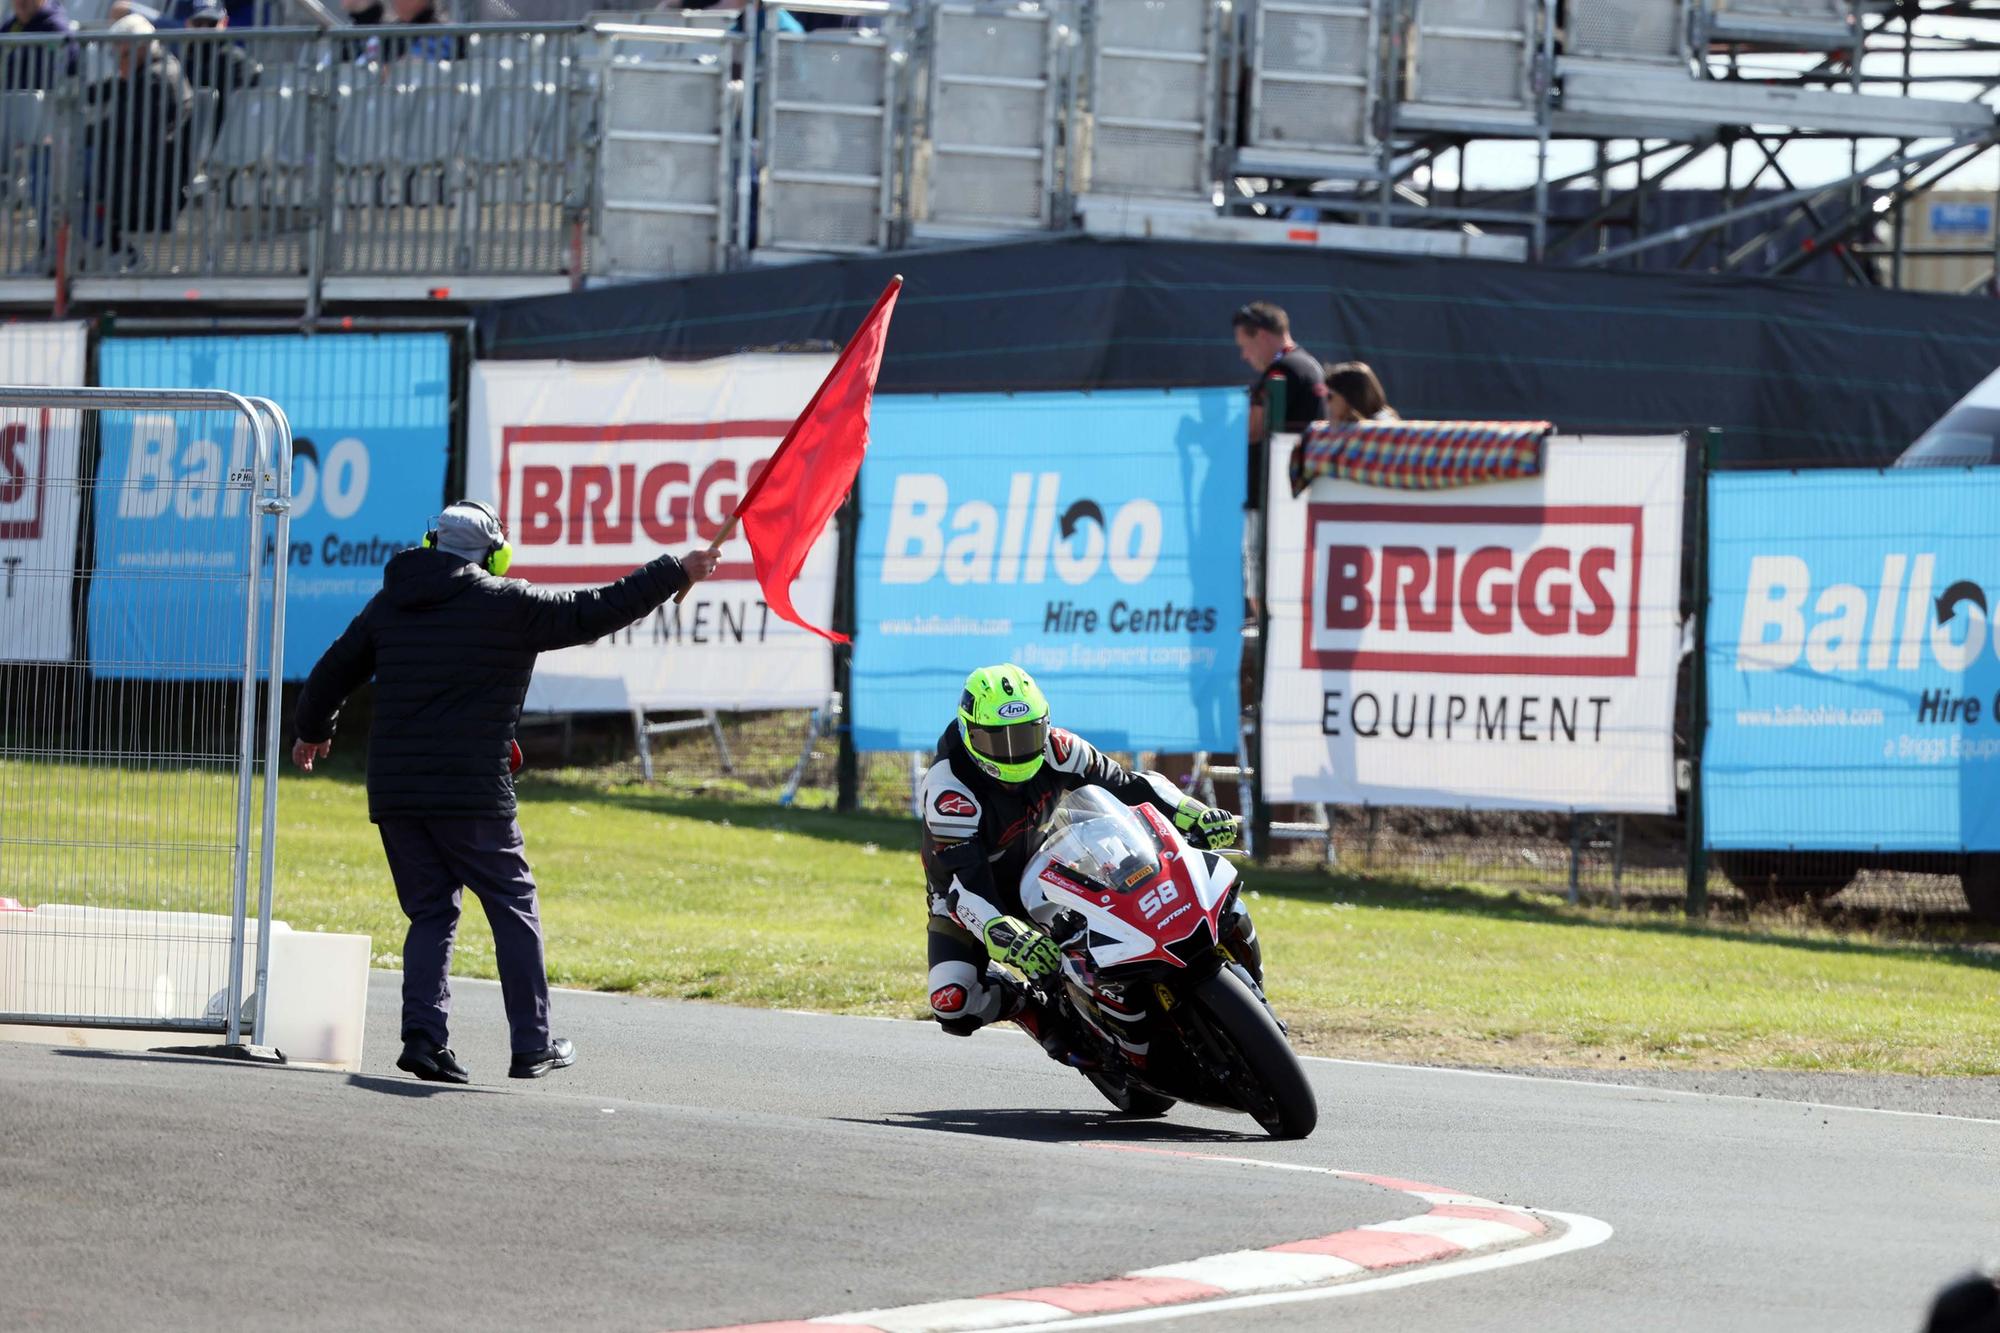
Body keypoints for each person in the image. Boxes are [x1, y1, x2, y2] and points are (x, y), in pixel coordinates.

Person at [292, 500, 721, 1084]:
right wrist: (675, 570)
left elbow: (331, 671)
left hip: (396, 790)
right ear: (494, 553)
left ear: (430, 544)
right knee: (514, 909)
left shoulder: (388, 602)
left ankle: (423, 1039)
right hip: (472, 792)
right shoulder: (510, 603)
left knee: (430, 912)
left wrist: (314, 732)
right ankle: (532, 1044)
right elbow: (598, 608)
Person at [919, 663, 1257, 1068]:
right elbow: (962, 879)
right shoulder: (949, 788)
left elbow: (1128, 784)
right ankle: (1036, 1009)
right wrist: (999, 931)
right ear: (968, 732)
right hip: (967, 897)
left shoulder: (1059, 748)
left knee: (1206, 890)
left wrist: (1191, 811)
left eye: (1025, 734)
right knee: (952, 1001)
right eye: (996, 740)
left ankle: (1252, 991)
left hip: (1045, 865)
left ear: (1044, 724)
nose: (1014, 751)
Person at [83, 14, 191, 269]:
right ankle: (108, 250)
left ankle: (118, 251)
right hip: (140, 168)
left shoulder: (156, 79)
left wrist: (76, 136)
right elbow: (114, 90)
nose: (116, 60)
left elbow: (121, 126)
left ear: (139, 48)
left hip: (147, 180)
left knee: (71, 183)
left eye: (119, 53)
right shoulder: (153, 68)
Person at [178, 3, 257, 129]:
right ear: (188, 24)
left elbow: (239, 110)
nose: (204, 30)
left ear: (224, 22)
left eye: (211, 24)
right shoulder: (183, 63)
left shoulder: (236, 62)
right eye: (198, 24)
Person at [1325, 360, 1398, 424]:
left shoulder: (1384, 428)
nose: (1326, 403)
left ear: (1349, 397)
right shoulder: (1346, 425)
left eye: (1329, 396)